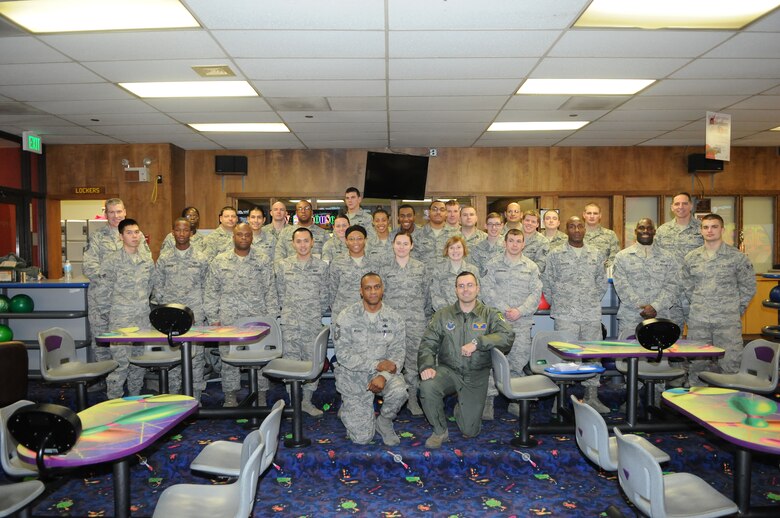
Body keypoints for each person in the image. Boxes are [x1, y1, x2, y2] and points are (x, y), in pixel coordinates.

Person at [418, 271, 515, 448]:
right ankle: (440, 431)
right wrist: (427, 365)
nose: (465, 290)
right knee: (427, 385)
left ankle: (461, 408)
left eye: (470, 285)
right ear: (456, 290)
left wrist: (479, 342)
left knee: (470, 431)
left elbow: (507, 336)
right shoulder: (443, 315)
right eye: (461, 286)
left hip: (476, 375)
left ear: (477, 289)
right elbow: (428, 342)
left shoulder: (489, 314)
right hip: (449, 370)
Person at [204, 222, 278, 407]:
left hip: (257, 319)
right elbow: (211, 292)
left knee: (260, 358)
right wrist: (214, 319)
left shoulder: (262, 260)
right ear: (233, 237)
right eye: (240, 235)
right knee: (229, 359)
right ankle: (230, 396)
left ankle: (260, 395)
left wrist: (271, 318)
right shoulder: (220, 261)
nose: (244, 238)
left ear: (252, 237)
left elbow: (270, 290)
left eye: (247, 235)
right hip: (229, 320)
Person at [542, 216, 610, 413]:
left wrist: (589, 300)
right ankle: (561, 398)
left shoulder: (596, 254)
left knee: (593, 355)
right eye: (572, 226)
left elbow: (601, 282)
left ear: (584, 229)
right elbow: (547, 282)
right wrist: (559, 303)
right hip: (565, 315)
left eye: (580, 226)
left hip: (590, 314)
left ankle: (592, 397)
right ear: (567, 230)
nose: (577, 229)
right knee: (564, 356)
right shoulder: (555, 254)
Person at [333, 273, 407, 445]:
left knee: (399, 391)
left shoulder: (394, 318)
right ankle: (348, 407)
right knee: (362, 439)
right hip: (353, 377)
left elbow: (398, 354)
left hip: (382, 375)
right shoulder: (346, 316)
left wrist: (383, 376)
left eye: (377, 287)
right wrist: (376, 365)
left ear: (382, 289)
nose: (373, 292)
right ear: (361, 291)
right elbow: (343, 354)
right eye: (368, 288)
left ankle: (384, 421)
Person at [683, 213, 756, 386]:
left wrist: (735, 310)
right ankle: (697, 407)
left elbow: (748, 287)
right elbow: (686, 287)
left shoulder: (737, 257)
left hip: (727, 323)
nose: (710, 231)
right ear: (701, 230)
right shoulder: (691, 258)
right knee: (697, 367)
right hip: (699, 321)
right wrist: (696, 307)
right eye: (706, 227)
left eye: (714, 226)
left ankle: (729, 408)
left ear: (722, 230)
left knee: (730, 366)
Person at [82, 198, 151, 366]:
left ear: (125, 212)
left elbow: (146, 262)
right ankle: (104, 377)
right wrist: (113, 280)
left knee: (134, 341)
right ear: (106, 214)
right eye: (111, 212)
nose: (115, 216)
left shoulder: (137, 235)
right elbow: (89, 267)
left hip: (129, 302)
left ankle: (133, 381)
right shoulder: (98, 237)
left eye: (119, 211)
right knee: (103, 340)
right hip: (102, 299)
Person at [481, 229, 542, 416]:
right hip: (498, 321)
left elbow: (536, 293)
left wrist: (519, 311)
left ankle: (515, 400)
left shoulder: (531, 267)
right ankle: (488, 401)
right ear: (504, 243)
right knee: (491, 361)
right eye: (511, 241)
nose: (515, 244)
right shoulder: (492, 265)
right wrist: (504, 309)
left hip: (522, 322)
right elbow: (486, 290)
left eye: (518, 241)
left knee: (518, 360)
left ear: (523, 244)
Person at [274, 227, 330, 416]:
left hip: (312, 321)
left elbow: (325, 295)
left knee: (311, 361)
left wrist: (312, 311)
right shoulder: (283, 266)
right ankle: (293, 402)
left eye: (306, 241)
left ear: (312, 242)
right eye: (299, 241)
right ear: (293, 244)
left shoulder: (322, 267)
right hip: (290, 322)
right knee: (290, 361)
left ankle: (306, 401)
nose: (303, 245)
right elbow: (280, 292)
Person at [152, 217, 209, 400]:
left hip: (195, 314)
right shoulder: (165, 258)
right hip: (172, 315)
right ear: (173, 232)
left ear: (191, 233)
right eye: (178, 230)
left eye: (186, 230)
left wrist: (203, 312)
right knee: (174, 353)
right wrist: (165, 310)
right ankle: (175, 396)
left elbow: (208, 286)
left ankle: (195, 396)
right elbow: (158, 286)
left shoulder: (201, 257)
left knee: (197, 356)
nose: (182, 234)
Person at [379, 232, 430, 416]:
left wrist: (418, 314)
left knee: (414, 362)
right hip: (392, 324)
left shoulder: (421, 268)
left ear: (412, 246)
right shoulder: (384, 269)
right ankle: (391, 398)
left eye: (405, 243)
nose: (401, 247)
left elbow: (426, 296)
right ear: (393, 245)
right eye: (398, 243)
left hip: (415, 321)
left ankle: (412, 399)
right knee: (391, 360)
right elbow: (379, 297)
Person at [103, 218, 154, 400]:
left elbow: (150, 287)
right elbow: (104, 291)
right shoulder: (112, 260)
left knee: (138, 362)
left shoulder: (146, 260)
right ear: (121, 236)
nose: (134, 236)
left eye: (137, 232)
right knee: (119, 364)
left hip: (142, 319)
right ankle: (114, 401)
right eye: (129, 232)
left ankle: (135, 397)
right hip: (120, 320)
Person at [612, 218, 682, 338]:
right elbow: (621, 286)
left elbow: (673, 286)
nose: (646, 231)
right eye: (642, 228)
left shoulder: (668, 257)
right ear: (635, 231)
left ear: (654, 232)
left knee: (660, 355)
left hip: (660, 315)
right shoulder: (622, 257)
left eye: (649, 228)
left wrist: (655, 306)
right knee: (629, 354)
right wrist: (641, 307)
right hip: (631, 316)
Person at [329, 225, 381, 319]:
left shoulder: (375, 263)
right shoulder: (337, 262)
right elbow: (332, 291)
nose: (355, 242)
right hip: (343, 314)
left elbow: (379, 290)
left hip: (368, 315)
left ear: (365, 240)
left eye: (359, 239)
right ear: (346, 241)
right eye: (351, 239)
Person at [428, 236, 479, 312]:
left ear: (464, 249)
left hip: (469, 314)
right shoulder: (438, 270)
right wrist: (449, 313)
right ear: (447, 250)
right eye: (451, 248)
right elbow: (435, 295)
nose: (455, 251)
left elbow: (478, 293)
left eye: (458, 247)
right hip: (446, 315)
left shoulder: (473, 270)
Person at [654, 192, 704, 260]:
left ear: (691, 206)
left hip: (695, 270)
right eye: (677, 204)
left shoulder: (704, 228)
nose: (681, 207)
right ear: (672, 207)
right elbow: (656, 255)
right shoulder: (662, 230)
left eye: (685, 204)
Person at [582, 202, 620, 268]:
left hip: (603, 275)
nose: (592, 216)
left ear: (600, 215)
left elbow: (615, 257)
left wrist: (603, 269)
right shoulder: (576, 235)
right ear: (584, 215)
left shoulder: (610, 235)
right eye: (589, 213)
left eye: (595, 213)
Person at [470, 212, 505, 276]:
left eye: (497, 224)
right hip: (484, 284)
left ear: (502, 225)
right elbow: (475, 273)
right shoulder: (477, 248)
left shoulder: (509, 246)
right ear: (485, 226)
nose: (493, 227)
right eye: (490, 224)